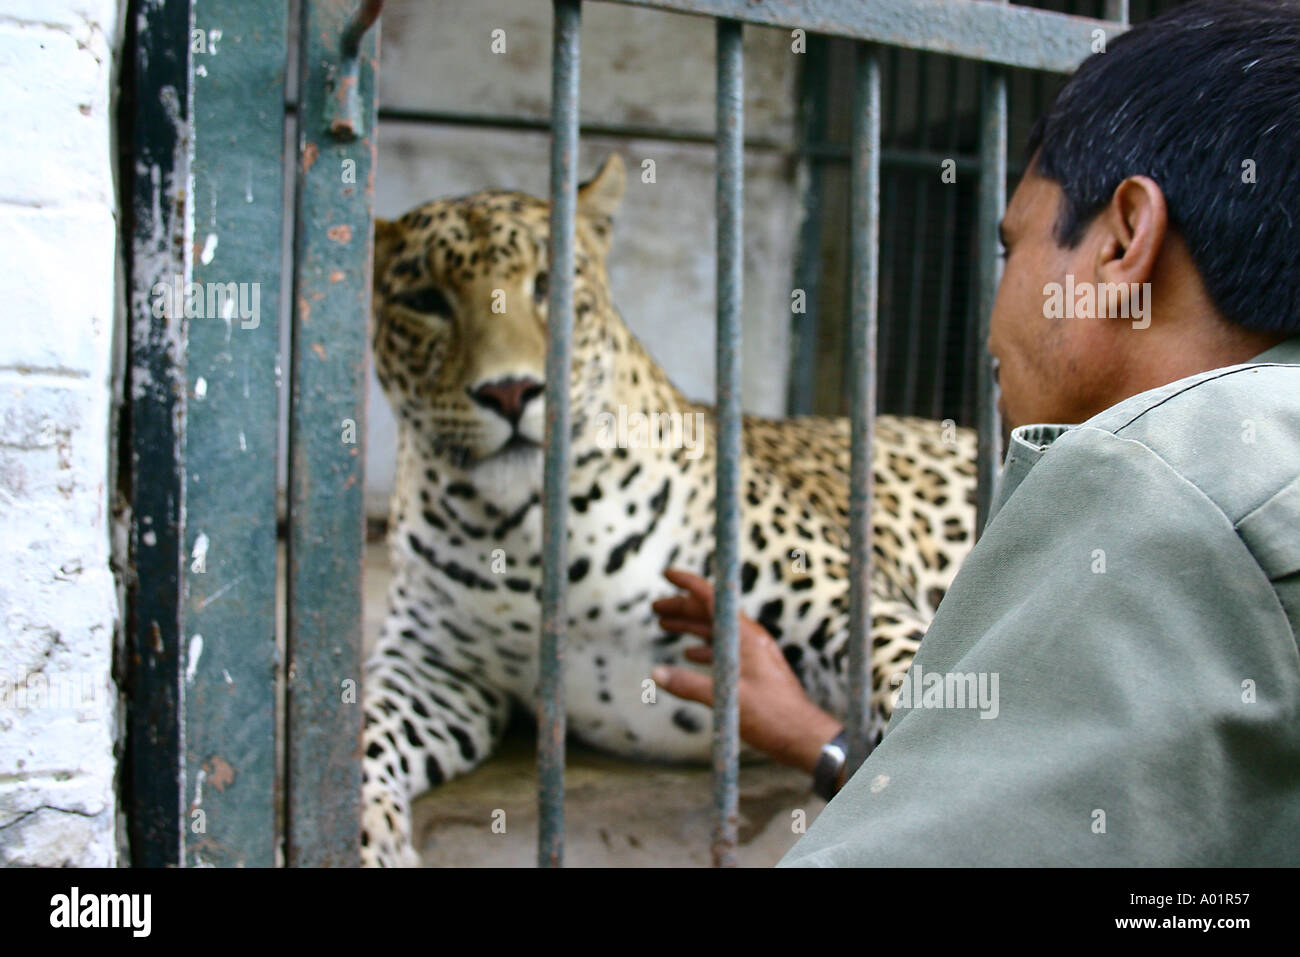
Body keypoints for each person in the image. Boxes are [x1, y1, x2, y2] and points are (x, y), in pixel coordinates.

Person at [649, 0, 1300, 865]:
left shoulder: (1164, 479)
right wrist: (825, 741)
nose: (993, 317)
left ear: (1122, 245)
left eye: (1011, 246)